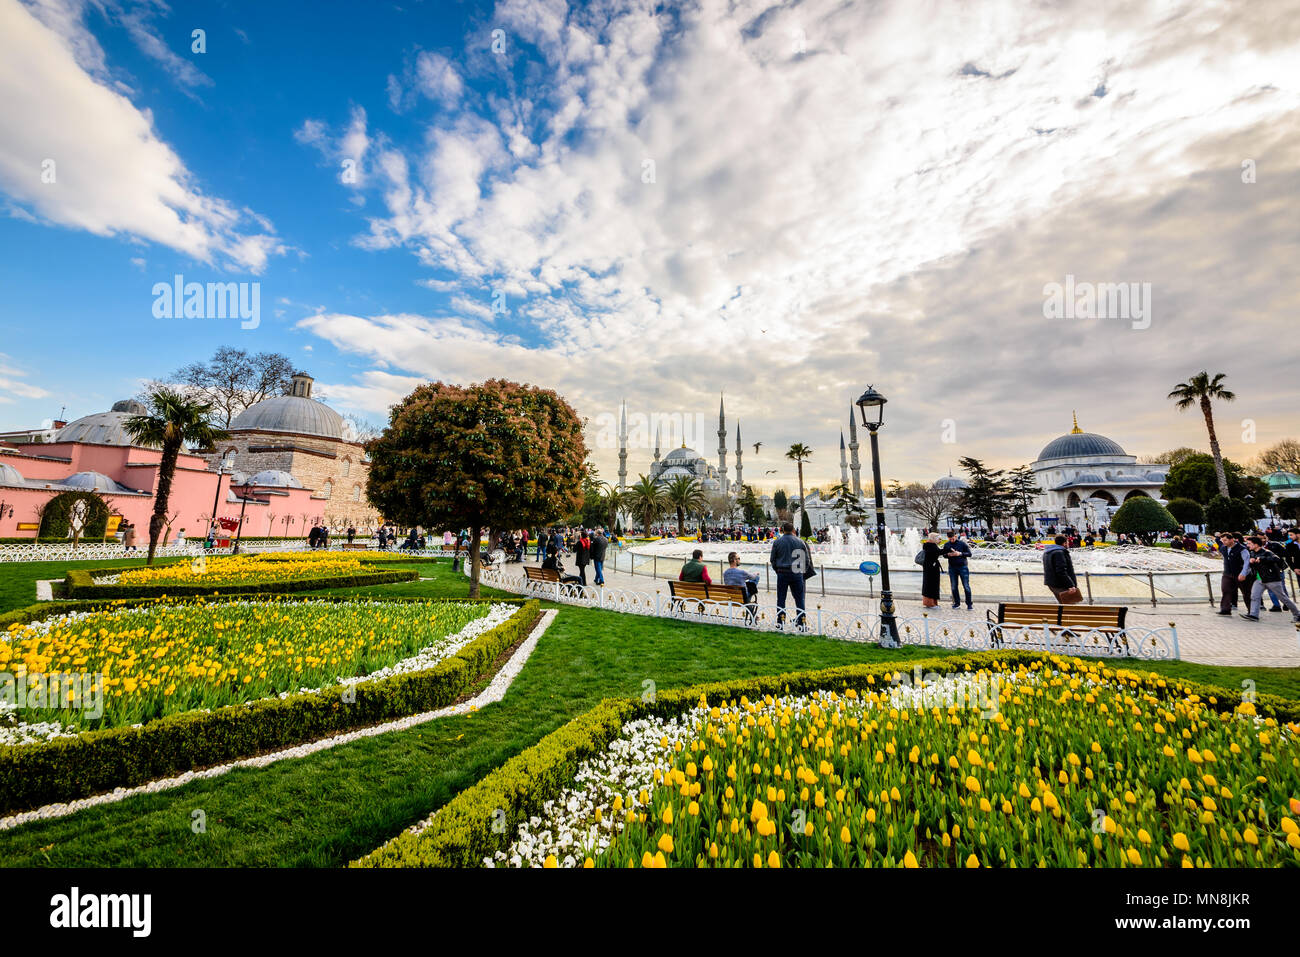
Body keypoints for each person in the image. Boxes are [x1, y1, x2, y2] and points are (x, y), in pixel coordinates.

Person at [1240, 536, 1300, 622]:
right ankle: (1254, 615)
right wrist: (1251, 562)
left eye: (1249, 543)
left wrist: (1262, 559)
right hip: (1260, 579)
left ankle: (1297, 614)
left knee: (1283, 598)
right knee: (1254, 596)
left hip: (1272, 579)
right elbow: (1255, 566)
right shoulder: (1253, 553)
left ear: (1256, 544)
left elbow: (1277, 559)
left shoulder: (1266, 552)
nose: (1248, 545)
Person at [769, 522, 810, 629]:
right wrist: (802, 571)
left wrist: (777, 570)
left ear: (783, 530)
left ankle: (780, 621)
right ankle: (801, 622)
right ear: (793, 530)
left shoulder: (778, 542)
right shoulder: (800, 542)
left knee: (781, 598)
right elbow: (806, 560)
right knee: (799, 599)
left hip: (782, 572)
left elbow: (772, 559)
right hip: (796, 572)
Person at [1216, 532, 1252, 615]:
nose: (1223, 542)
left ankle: (1252, 611)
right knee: (1225, 590)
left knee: (1246, 593)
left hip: (1240, 574)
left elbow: (1247, 562)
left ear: (1232, 540)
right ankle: (1225, 609)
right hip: (1227, 573)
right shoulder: (1223, 548)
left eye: (1225, 540)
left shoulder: (1242, 549)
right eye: (1222, 540)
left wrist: (1243, 573)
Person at [723, 551, 760, 623]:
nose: (739, 560)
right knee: (756, 579)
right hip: (742, 597)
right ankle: (752, 615)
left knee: (745, 585)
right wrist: (756, 573)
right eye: (738, 558)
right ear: (734, 560)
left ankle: (753, 615)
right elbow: (753, 577)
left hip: (731, 597)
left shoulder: (725, 573)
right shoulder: (742, 572)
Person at [1042, 534, 1079, 603]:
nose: (1068, 544)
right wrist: (1070, 585)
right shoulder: (1059, 553)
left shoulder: (1048, 552)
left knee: (1063, 604)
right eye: (1067, 542)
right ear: (1064, 543)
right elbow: (1061, 571)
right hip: (1060, 584)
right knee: (1070, 606)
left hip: (1053, 583)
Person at [942, 530, 973, 609]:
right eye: (950, 539)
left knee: (966, 586)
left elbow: (969, 554)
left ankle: (969, 604)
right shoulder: (947, 545)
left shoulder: (962, 544)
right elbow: (944, 555)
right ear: (947, 538)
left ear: (955, 536)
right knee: (954, 587)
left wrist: (960, 553)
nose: (951, 540)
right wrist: (948, 554)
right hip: (952, 567)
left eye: (952, 538)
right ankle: (957, 603)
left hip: (963, 567)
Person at [920, 532, 943, 608]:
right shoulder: (931, 546)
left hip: (930, 567)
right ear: (933, 539)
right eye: (938, 539)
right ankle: (930, 603)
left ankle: (932, 602)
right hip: (931, 568)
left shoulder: (929, 545)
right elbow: (937, 552)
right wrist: (948, 550)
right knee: (931, 584)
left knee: (931, 584)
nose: (940, 540)